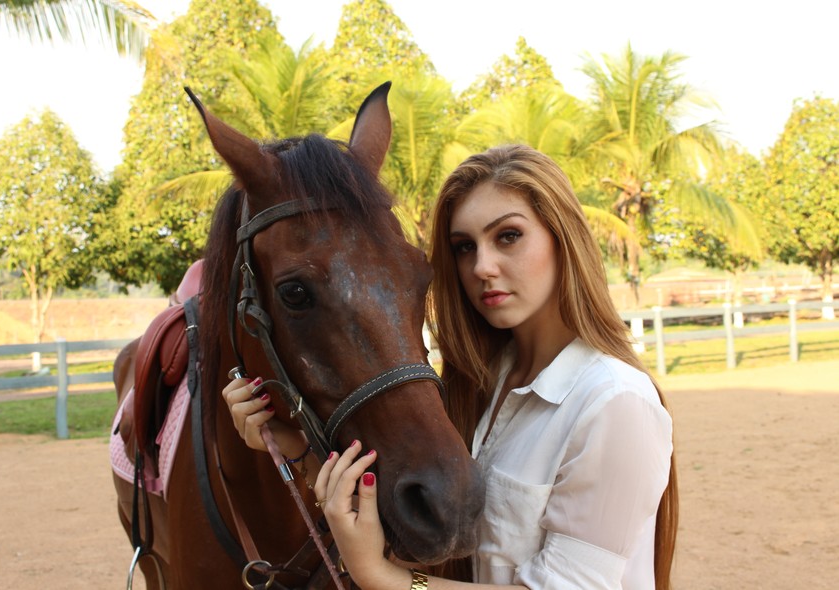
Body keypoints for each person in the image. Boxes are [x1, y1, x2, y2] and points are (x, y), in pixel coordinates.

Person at [223, 145, 677, 590]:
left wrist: (390, 581)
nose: (482, 266)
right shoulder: (477, 383)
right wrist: (292, 447)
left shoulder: (615, 404)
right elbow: (431, 527)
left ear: (564, 238)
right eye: (463, 247)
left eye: (508, 236)